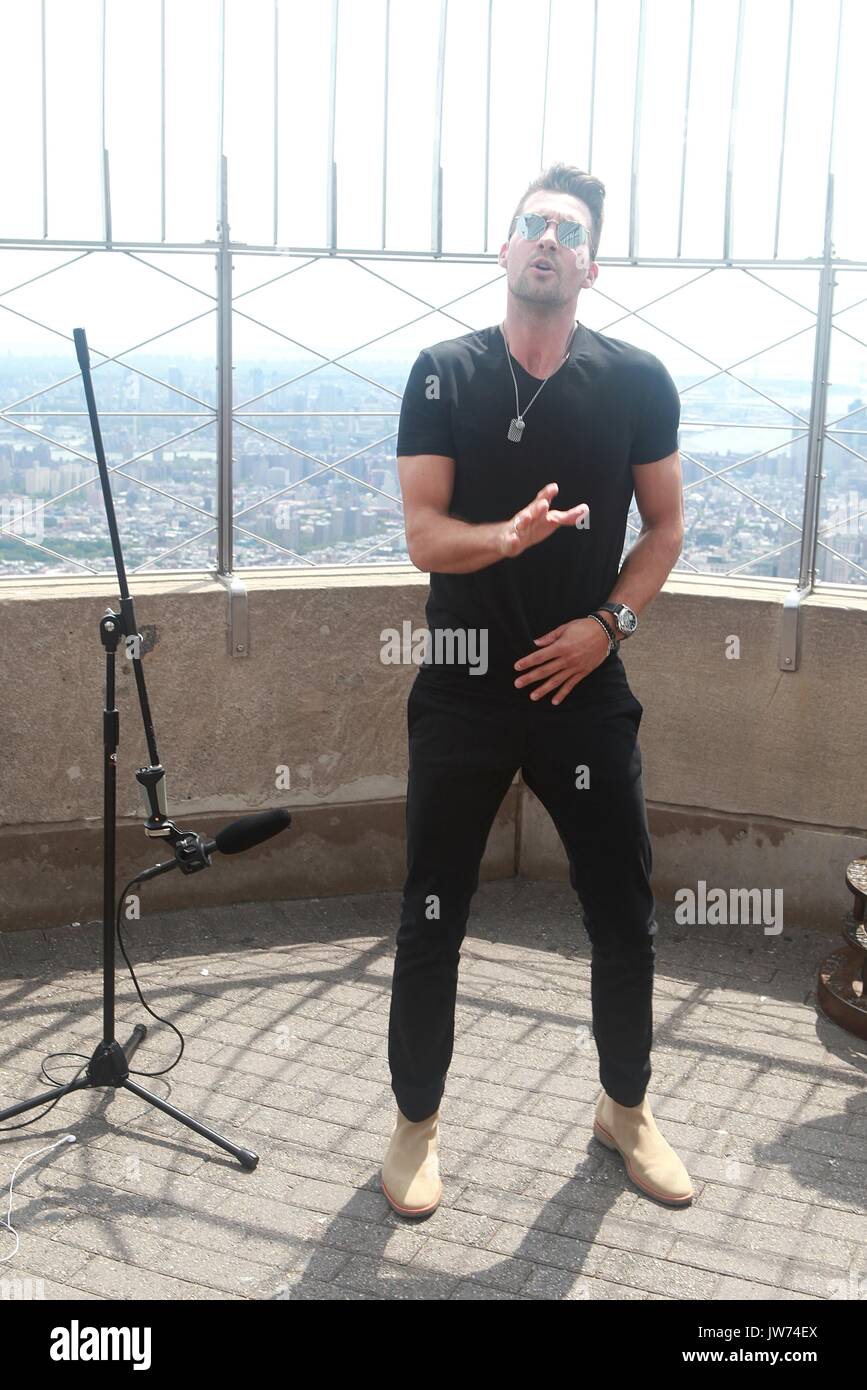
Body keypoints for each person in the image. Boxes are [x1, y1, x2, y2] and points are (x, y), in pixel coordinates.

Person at [381, 163, 692, 1217]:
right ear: (505, 253)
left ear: (589, 264)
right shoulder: (441, 374)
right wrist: (504, 538)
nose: (549, 238)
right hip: (465, 689)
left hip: (584, 685)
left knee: (623, 911)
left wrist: (607, 628)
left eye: (568, 228)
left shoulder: (638, 380)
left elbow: (665, 529)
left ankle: (626, 1108)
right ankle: (416, 1123)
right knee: (433, 912)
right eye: (532, 224)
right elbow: (424, 532)